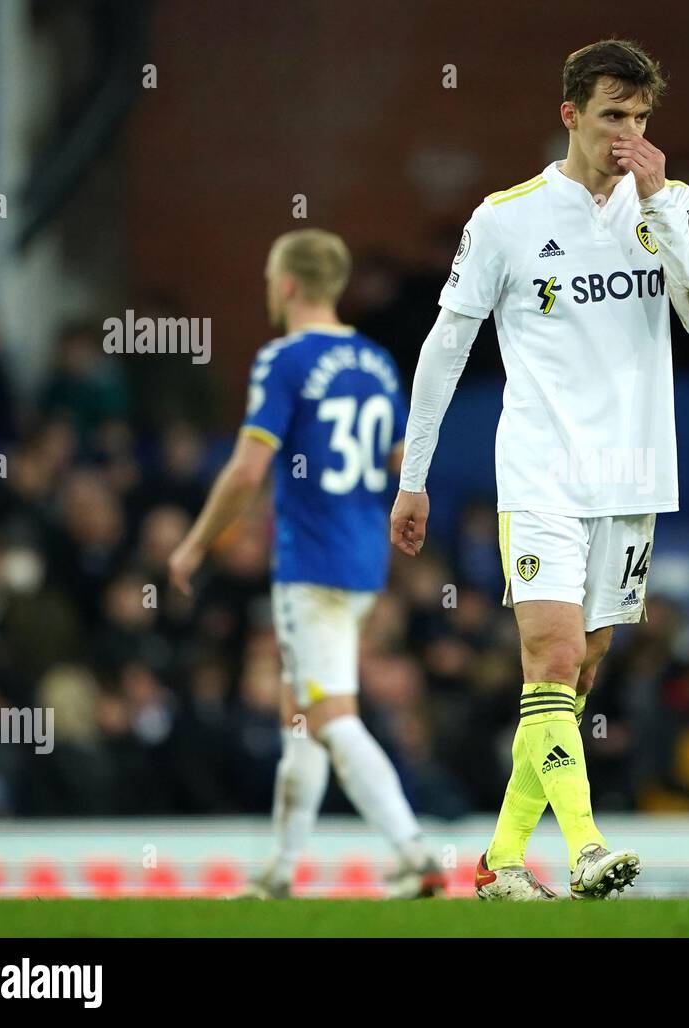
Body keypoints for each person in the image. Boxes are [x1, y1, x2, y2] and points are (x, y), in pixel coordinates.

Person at [390, 38, 689, 900]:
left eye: (642, 118)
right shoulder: (507, 218)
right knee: (552, 656)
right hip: (541, 469)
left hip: (633, 475)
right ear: (570, 113)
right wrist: (414, 474)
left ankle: (500, 862)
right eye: (613, 115)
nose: (627, 135)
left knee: (578, 676)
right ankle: (583, 848)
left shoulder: (671, 202)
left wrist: (654, 208)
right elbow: (446, 345)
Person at [169, 229, 443, 898]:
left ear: (287, 283)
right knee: (301, 718)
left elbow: (245, 470)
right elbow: (399, 459)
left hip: (311, 562)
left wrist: (197, 542)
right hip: (360, 557)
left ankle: (414, 851)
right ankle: (282, 870)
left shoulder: (283, 360)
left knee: (328, 715)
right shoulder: (377, 361)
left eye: (270, 277)